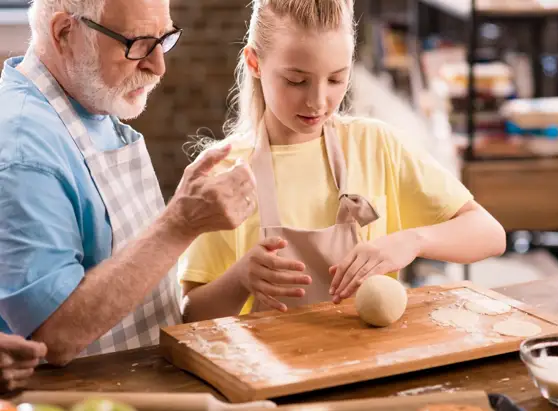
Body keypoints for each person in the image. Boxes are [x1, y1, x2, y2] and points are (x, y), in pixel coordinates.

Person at [178, 0, 507, 321]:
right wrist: (239, 280)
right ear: (255, 63)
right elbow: (190, 315)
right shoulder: (224, 172)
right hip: (262, 373)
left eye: (336, 79)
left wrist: (413, 241)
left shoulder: (377, 146)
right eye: (296, 80)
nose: (318, 102)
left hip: (372, 364)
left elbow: (491, 234)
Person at [0, 0, 257, 367]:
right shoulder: (23, 150)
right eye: (137, 45)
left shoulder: (90, 102)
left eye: (164, 39)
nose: (158, 66)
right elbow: (54, 336)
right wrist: (179, 225)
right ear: (64, 33)